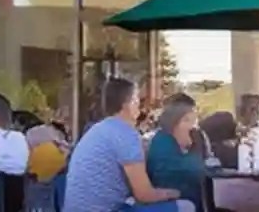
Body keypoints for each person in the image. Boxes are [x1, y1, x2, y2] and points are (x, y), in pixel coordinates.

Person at [64, 77, 193, 212]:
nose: (139, 104)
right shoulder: (126, 134)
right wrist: (173, 193)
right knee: (187, 206)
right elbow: (144, 194)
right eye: (136, 99)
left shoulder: (98, 129)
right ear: (127, 104)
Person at [146, 95, 206, 212]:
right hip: (171, 203)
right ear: (179, 120)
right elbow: (194, 172)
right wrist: (195, 149)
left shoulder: (162, 139)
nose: (194, 126)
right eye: (190, 120)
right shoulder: (162, 143)